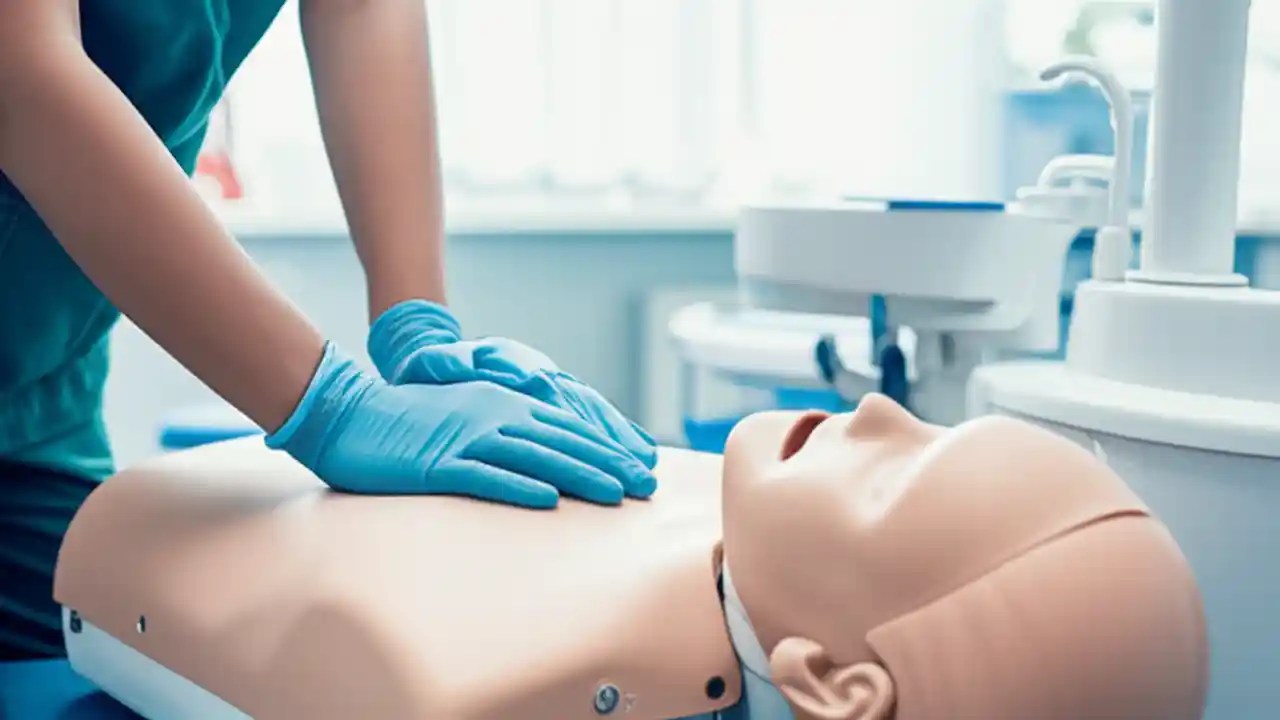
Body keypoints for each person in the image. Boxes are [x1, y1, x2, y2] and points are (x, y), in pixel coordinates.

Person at [0, 0, 656, 661]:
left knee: (79, 669)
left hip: (38, 402)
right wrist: (330, 405)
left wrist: (416, 322)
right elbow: (19, 66)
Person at [55, 395, 1208, 719]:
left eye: (900, 474)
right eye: (935, 424)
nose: (873, 407)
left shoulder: (502, 678)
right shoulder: (720, 508)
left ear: (831, 685)